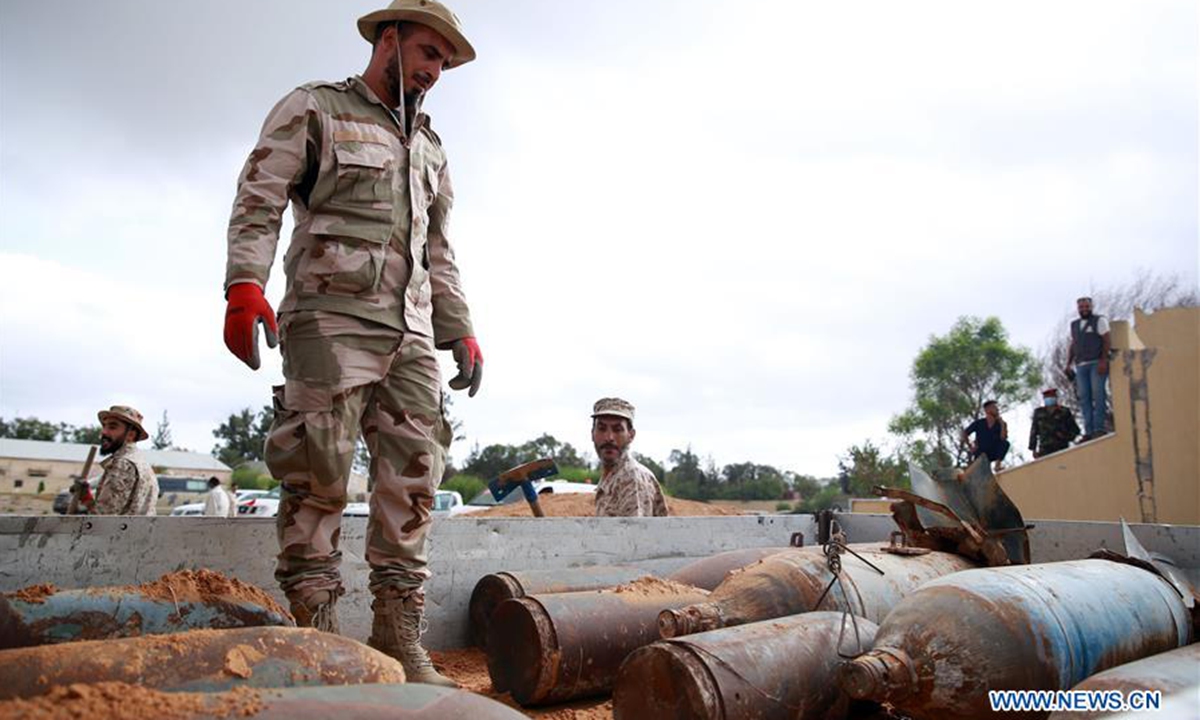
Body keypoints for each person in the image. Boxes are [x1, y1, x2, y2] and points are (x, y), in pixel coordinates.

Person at [220, 0, 483, 687]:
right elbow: (260, 196)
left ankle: (399, 640)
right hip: (330, 321)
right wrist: (244, 283)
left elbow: (438, 247)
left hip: (411, 334)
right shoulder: (317, 108)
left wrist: (458, 326)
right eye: (427, 53)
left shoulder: (430, 146)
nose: (434, 72)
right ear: (388, 39)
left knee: (415, 480)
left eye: (444, 63)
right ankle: (321, 648)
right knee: (318, 475)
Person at [74, 406, 160, 516]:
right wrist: (86, 496)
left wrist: (86, 499)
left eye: (112, 427)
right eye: (104, 426)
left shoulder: (123, 464)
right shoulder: (141, 462)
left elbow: (102, 518)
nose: (104, 432)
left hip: (121, 528)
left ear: (131, 435)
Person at [591, 398, 668, 517]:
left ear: (631, 435)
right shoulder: (611, 477)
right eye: (602, 429)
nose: (609, 437)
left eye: (617, 430)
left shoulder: (631, 478)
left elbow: (635, 528)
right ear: (592, 434)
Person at [1065, 296, 1111, 440]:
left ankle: (1099, 428)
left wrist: (1103, 360)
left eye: (1087, 307)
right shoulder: (1074, 325)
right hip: (1081, 365)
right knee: (1084, 398)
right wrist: (1068, 363)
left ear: (1091, 307)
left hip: (1096, 362)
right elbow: (1074, 343)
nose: (1084, 309)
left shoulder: (1099, 320)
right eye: (1081, 307)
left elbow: (1106, 340)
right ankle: (1089, 431)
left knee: (1098, 395)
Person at [1029, 388, 1081, 458]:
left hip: (1062, 447)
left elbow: (1075, 430)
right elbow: (1034, 431)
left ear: (1055, 397)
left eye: (1051, 396)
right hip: (1045, 448)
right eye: (1047, 397)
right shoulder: (1039, 413)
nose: (1049, 398)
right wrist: (1033, 449)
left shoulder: (1064, 411)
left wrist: (1066, 437)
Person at [962, 401, 1010, 472]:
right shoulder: (979, 423)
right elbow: (965, 433)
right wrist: (970, 446)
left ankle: (997, 465)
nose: (997, 409)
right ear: (987, 410)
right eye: (994, 407)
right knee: (981, 471)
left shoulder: (1001, 424)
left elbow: (1003, 438)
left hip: (993, 450)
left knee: (1005, 443)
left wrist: (1002, 425)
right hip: (981, 452)